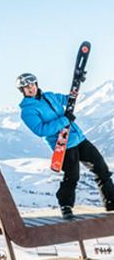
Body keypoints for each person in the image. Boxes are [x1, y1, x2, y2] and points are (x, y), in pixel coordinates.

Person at [17, 72, 114, 219]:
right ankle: (65, 205)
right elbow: (41, 130)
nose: (30, 88)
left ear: (36, 84)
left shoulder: (50, 96)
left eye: (32, 85)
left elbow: (69, 100)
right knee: (72, 176)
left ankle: (111, 202)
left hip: (79, 138)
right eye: (26, 87)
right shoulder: (27, 111)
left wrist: (77, 85)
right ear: (22, 91)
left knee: (101, 168)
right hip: (63, 144)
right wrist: (64, 120)